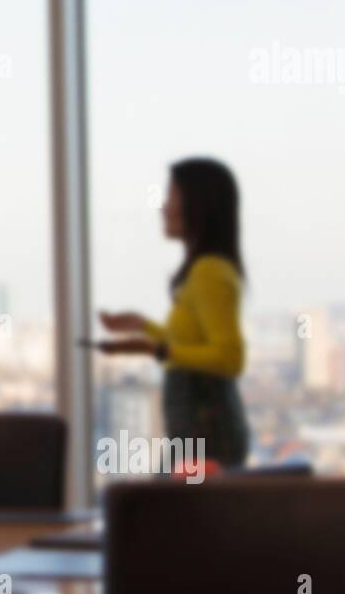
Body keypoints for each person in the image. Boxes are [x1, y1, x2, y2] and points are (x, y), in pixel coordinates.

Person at [95, 157, 250, 467]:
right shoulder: (204, 271)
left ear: (197, 206)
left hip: (206, 440)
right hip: (198, 436)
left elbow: (230, 358)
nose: (163, 207)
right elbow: (191, 343)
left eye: (172, 197)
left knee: (172, 510)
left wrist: (158, 349)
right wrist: (143, 327)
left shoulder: (209, 272)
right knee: (169, 507)